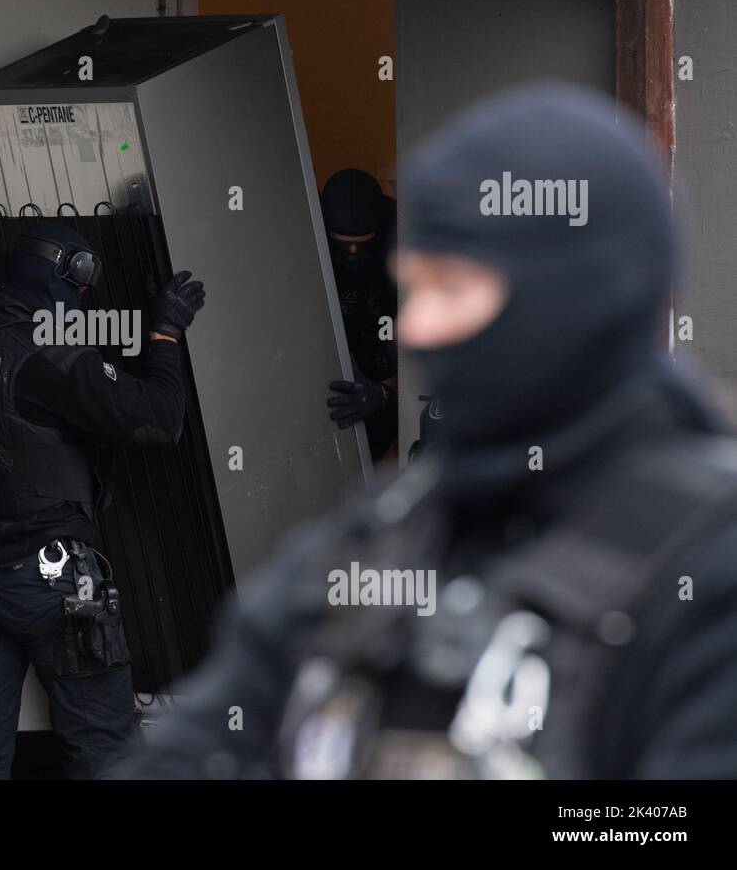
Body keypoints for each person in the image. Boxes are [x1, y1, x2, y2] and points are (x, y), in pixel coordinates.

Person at [113, 82, 737, 779]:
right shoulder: (390, 527)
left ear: (577, 299)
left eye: (453, 288)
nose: (416, 327)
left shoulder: (709, 568)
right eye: (413, 287)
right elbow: (197, 744)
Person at [0, 217, 206, 778]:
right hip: (51, 579)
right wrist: (165, 334)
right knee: (104, 751)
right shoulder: (45, 351)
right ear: (65, 279)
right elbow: (157, 421)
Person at [320, 169, 399, 461]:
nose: (352, 252)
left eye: (361, 244)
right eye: (342, 244)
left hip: (387, 382)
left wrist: (386, 393)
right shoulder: (305, 248)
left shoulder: (403, 251)